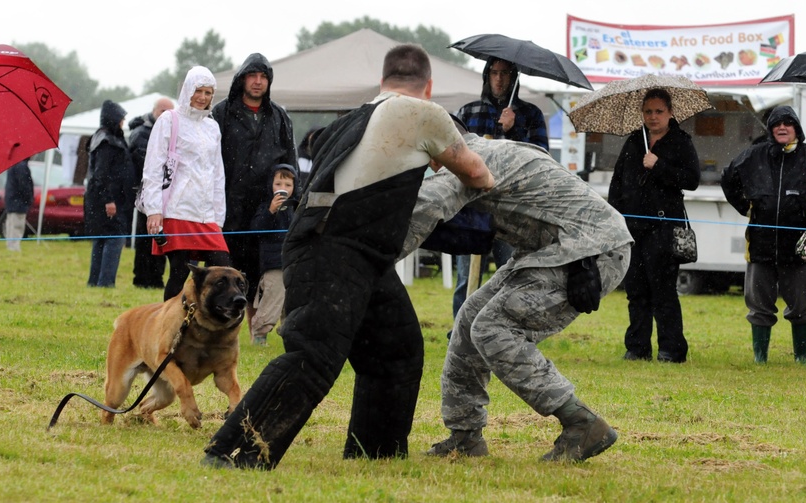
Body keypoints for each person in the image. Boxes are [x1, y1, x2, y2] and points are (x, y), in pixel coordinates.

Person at [202, 44, 494, 470]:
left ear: (382, 82)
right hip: (335, 252)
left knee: (396, 350)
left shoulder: (359, 117)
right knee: (313, 357)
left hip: (345, 252)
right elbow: (478, 173)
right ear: (427, 86)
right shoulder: (422, 112)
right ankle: (231, 452)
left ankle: (374, 454)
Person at [401, 123, 633, 461]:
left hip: (590, 252)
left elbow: (426, 207)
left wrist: (369, 252)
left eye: (426, 157)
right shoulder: (488, 151)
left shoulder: (470, 158)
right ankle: (465, 436)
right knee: (469, 320)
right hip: (553, 250)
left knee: (493, 327)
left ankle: (581, 422)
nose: (429, 167)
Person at [451, 57, 549, 327]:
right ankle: (460, 330)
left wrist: (514, 129)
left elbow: (541, 160)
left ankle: (505, 329)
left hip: (512, 209)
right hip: (472, 208)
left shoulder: (530, 115)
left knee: (511, 275)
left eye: (505, 73)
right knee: (466, 279)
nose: (499, 78)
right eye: (494, 72)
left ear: (514, 77)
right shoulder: (468, 112)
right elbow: (453, 156)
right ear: (486, 75)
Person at [607, 88, 701, 363]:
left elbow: (691, 179)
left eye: (659, 111)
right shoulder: (635, 141)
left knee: (663, 291)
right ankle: (637, 347)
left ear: (670, 113)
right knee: (636, 290)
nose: (653, 116)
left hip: (665, 227)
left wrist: (658, 165)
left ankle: (672, 349)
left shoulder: (681, 142)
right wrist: (615, 217)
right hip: (633, 227)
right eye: (648, 111)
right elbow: (618, 181)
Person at [720, 105, 806, 363]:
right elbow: (728, 177)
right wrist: (745, 206)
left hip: (799, 249)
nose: (782, 127)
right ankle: (760, 357)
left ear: (797, 128)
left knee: (802, 306)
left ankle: (801, 357)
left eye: (788, 123)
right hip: (760, 246)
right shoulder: (755, 155)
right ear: (771, 129)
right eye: (777, 124)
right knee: (759, 305)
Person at [212, 53, 297, 326]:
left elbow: (290, 163)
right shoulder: (222, 113)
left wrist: (289, 199)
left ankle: (255, 326)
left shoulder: (279, 117)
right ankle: (221, 323)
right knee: (226, 269)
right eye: (253, 76)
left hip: (267, 208)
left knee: (261, 271)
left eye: (263, 77)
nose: (258, 82)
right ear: (242, 79)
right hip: (229, 205)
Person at [140, 66, 231, 301]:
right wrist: (153, 210)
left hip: (206, 215)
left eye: (208, 92)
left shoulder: (213, 127)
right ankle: (166, 327)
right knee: (179, 272)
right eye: (198, 90)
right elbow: (153, 167)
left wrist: (218, 217)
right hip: (176, 210)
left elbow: (217, 174)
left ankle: (208, 326)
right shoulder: (169, 120)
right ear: (188, 90)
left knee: (223, 271)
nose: (202, 97)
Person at [84, 100, 135, 288]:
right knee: (114, 238)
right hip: (110, 200)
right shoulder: (107, 142)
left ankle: (95, 281)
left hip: (105, 198)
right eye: (121, 119)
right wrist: (109, 200)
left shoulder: (102, 137)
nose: (123, 122)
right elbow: (101, 174)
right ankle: (105, 282)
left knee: (101, 239)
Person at [248, 163, 297, 346]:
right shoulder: (264, 207)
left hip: (293, 263)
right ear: (270, 185)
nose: (282, 189)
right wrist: (271, 211)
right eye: (278, 184)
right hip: (273, 264)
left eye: (288, 185)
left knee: (292, 302)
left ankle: (290, 336)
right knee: (272, 299)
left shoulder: (296, 207)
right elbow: (256, 230)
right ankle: (259, 335)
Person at [128, 97, 175, 289]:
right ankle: (142, 278)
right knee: (145, 238)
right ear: (155, 111)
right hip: (146, 192)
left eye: (168, 112)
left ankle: (156, 277)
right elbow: (143, 163)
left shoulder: (171, 131)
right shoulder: (142, 133)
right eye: (162, 111)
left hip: (165, 193)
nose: (165, 116)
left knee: (161, 238)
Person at [3, 158, 33, 252]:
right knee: (17, 225)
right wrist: (29, 199)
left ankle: (11, 246)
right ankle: (13, 248)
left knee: (11, 224)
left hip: (12, 201)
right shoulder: (21, 166)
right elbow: (24, 185)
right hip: (18, 201)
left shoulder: (14, 164)